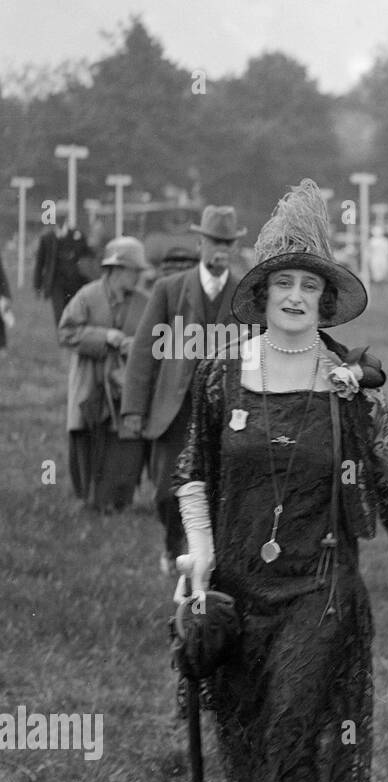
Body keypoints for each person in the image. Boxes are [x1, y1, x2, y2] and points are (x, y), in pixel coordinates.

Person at [172, 180, 388, 782]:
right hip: (240, 583)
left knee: (294, 717)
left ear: (326, 300)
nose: (295, 296)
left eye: (308, 285)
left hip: (320, 583)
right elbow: (192, 475)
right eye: (283, 282)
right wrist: (199, 555)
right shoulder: (223, 373)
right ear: (262, 294)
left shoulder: (348, 385)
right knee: (251, 716)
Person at [122, 205, 246, 575]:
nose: (220, 250)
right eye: (213, 242)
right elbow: (144, 352)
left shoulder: (244, 294)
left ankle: (206, 554)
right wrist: (134, 408)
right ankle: (170, 542)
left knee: (216, 485)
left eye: (227, 242)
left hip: (223, 409)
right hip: (173, 410)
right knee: (165, 489)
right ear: (200, 243)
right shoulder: (169, 289)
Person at [57, 237, 150, 511]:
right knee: (88, 437)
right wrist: (104, 337)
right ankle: (89, 500)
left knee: (126, 443)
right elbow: (66, 332)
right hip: (91, 384)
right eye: (135, 271)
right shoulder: (86, 296)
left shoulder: (145, 302)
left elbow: (158, 339)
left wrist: (137, 345)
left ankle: (120, 501)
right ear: (116, 269)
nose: (138, 277)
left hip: (127, 386)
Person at [35, 215, 96, 328]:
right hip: (56, 283)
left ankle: (74, 337)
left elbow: (88, 253)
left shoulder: (76, 235)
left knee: (74, 311)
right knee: (59, 313)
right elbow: (40, 263)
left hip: (74, 282)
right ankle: (63, 339)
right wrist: (37, 285)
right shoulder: (47, 238)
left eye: (62, 217)